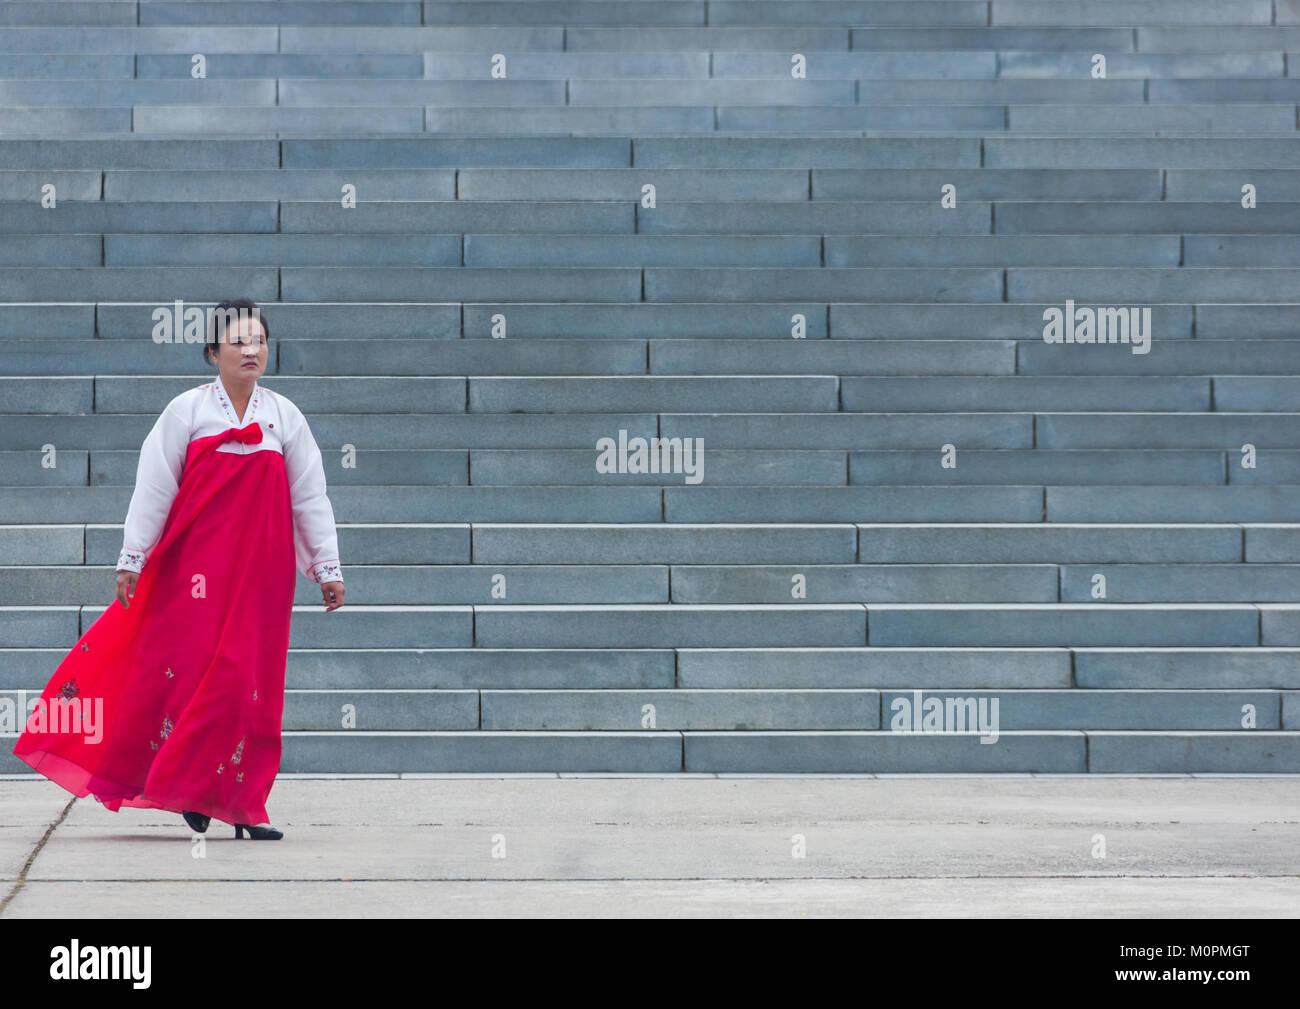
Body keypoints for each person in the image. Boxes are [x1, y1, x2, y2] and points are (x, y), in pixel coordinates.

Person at [12, 298, 345, 841]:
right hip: (195, 573)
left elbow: (310, 497)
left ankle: (243, 804)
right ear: (212, 351)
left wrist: (326, 567)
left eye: (259, 340)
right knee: (189, 675)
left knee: (247, 681)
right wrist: (133, 558)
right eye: (238, 341)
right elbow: (155, 488)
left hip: (262, 572)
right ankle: (189, 786)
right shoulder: (187, 411)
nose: (251, 350)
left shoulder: (285, 416)